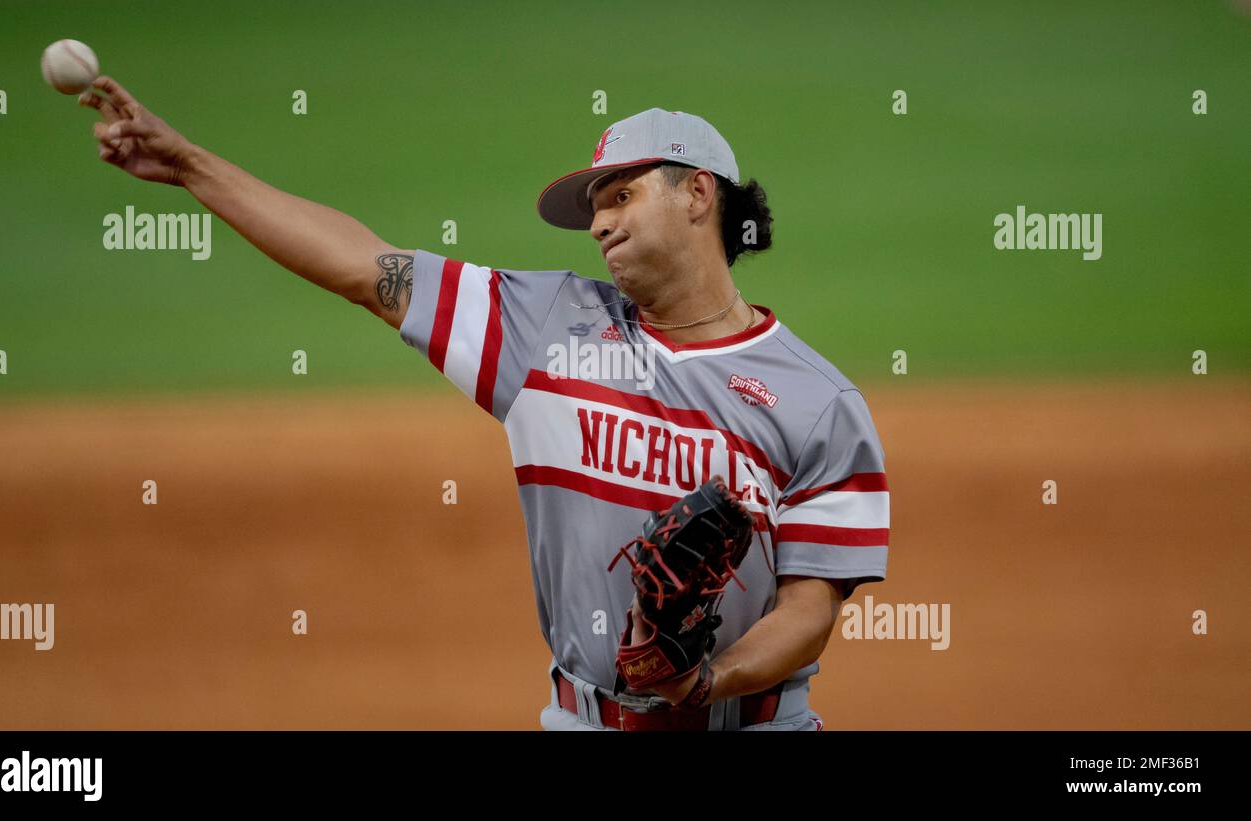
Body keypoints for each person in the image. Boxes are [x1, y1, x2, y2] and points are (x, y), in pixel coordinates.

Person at [81, 77, 891, 730]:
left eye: (621, 196)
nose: (600, 225)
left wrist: (703, 679)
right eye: (595, 208)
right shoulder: (544, 326)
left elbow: (809, 609)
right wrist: (190, 164)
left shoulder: (816, 400)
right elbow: (365, 267)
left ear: (697, 194)